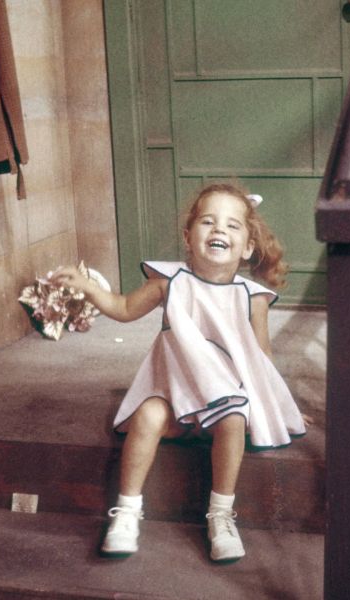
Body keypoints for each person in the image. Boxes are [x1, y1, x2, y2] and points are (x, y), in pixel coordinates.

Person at [51, 182, 306, 563]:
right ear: (189, 237)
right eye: (208, 221)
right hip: (176, 400)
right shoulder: (169, 282)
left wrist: (280, 408)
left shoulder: (252, 298)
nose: (219, 230)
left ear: (248, 246)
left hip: (222, 406)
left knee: (235, 417)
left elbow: (261, 359)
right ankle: (127, 511)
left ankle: (220, 514)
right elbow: (122, 308)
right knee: (148, 414)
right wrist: (88, 287)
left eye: (233, 226)